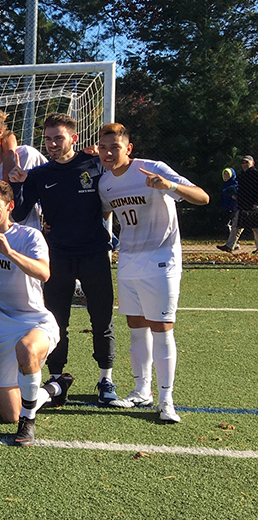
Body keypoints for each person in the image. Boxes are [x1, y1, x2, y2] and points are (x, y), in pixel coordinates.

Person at [97, 123, 209, 423]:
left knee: (161, 328)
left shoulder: (152, 169)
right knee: (135, 326)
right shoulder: (105, 183)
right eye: (103, 147)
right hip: (129, 261)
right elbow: (105, 211)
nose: (108, 153)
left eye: (115, 147)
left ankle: (166, 399)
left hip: (162, 260)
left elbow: (202, 197)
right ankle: (140, 391)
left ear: (128, 148)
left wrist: (169, 186)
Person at [9, 113, 119, 405]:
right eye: (48, 139)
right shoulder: (40, 175)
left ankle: (105, 378)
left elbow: (116, 184)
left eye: (58, 138)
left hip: (95, 252)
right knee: (57, 320)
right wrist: (18, 184)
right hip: (57, 253)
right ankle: (57, 376)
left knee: (102, 317)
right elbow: (19, 214)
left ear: (74, 138)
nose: (53, 144)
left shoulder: (94, 163)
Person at [0, 180, 72, 446]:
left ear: (10, 206)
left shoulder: (29, 236)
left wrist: (9, 251)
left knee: (26, 350)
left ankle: (29, 423)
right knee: (9, 413)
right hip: (1, 334)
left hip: (34, 322)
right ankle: (54, 387)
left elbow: (44, 272)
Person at [226, 155, 257, 253]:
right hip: (243, 204)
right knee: (236, 226)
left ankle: (230, 245)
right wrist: (236, 195)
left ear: (252, 163)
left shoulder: (255, 174)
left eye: (246, 162)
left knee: (256, 228)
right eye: (243, 163)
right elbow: (241, 190)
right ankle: (229, 246)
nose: (244, 165)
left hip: (253, 206)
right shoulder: (242, 176)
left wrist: (257, 203)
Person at [216, 164, 240, 252]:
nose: (226, 176)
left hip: (234, 207)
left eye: (228, 174)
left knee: (231, 225)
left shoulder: (235, 184)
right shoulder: (225, 185)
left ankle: (233, 243)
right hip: (226, 207)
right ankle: (233, 243)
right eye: (224, 174)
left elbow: (236, 195)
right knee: (230, 225)